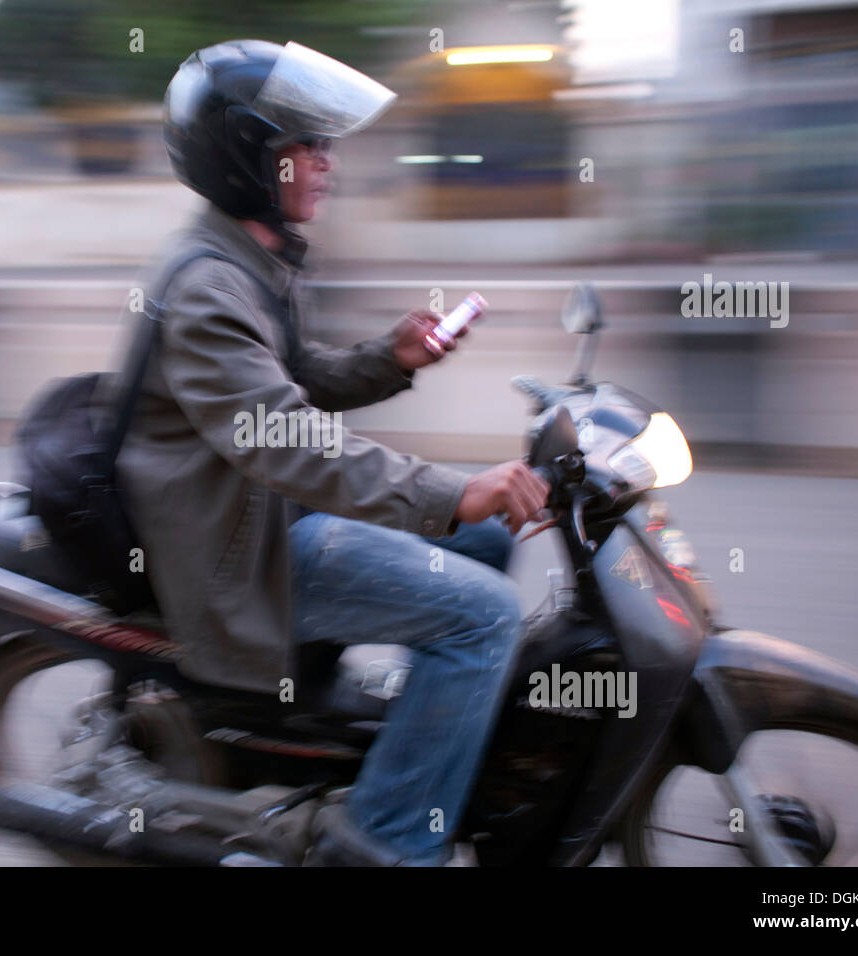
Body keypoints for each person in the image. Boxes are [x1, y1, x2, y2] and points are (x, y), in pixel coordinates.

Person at [115, 39, 549, 866]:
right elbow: (287, 441)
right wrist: (452, 491)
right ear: (250, 159)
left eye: (324, 144)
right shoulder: (211, 286)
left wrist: (391, 358)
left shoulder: (246, 259)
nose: (327, 164)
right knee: (483, 617)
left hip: (262, 508)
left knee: (485, 544)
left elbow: (294, 378)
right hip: (240, 549)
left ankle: (413, 734)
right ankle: (382, 844)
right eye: (305, 147)